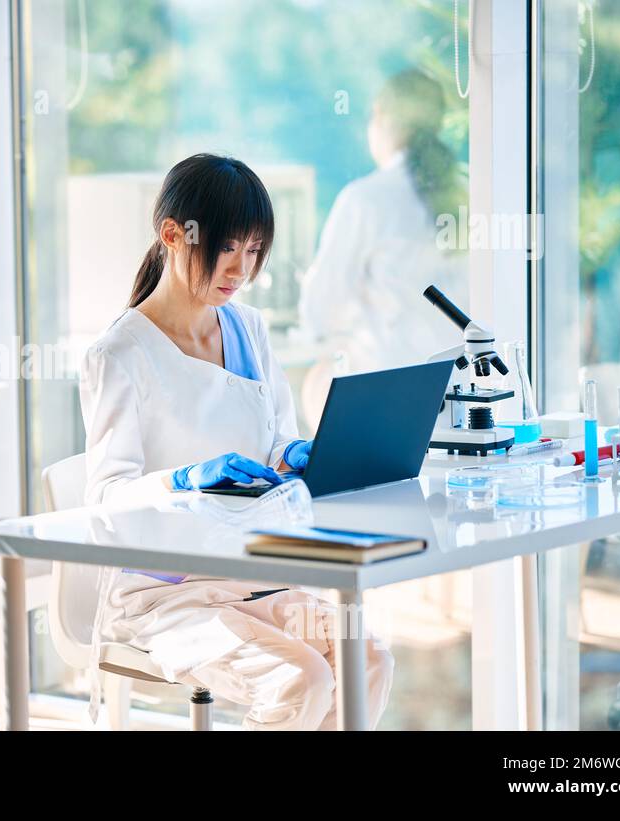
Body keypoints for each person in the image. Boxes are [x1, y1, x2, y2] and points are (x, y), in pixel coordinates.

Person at [79, 153, 393, 730]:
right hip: (165, 595)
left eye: (253, 251)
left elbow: (276, 441)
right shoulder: (120, 355)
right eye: (227, 248)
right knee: (302, 679)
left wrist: (295, 457)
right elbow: (105, 502)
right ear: (172, 235)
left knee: (367, 657)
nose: (241, 269)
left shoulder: (247, 328)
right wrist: (181, 481)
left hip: (255, 572)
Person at [298, 68, 466, 375]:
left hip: (395, 389)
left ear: (382, 116)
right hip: (464, 387)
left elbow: (319, 314)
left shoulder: (366, 199)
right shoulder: (466, 196)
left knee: (318, 377)